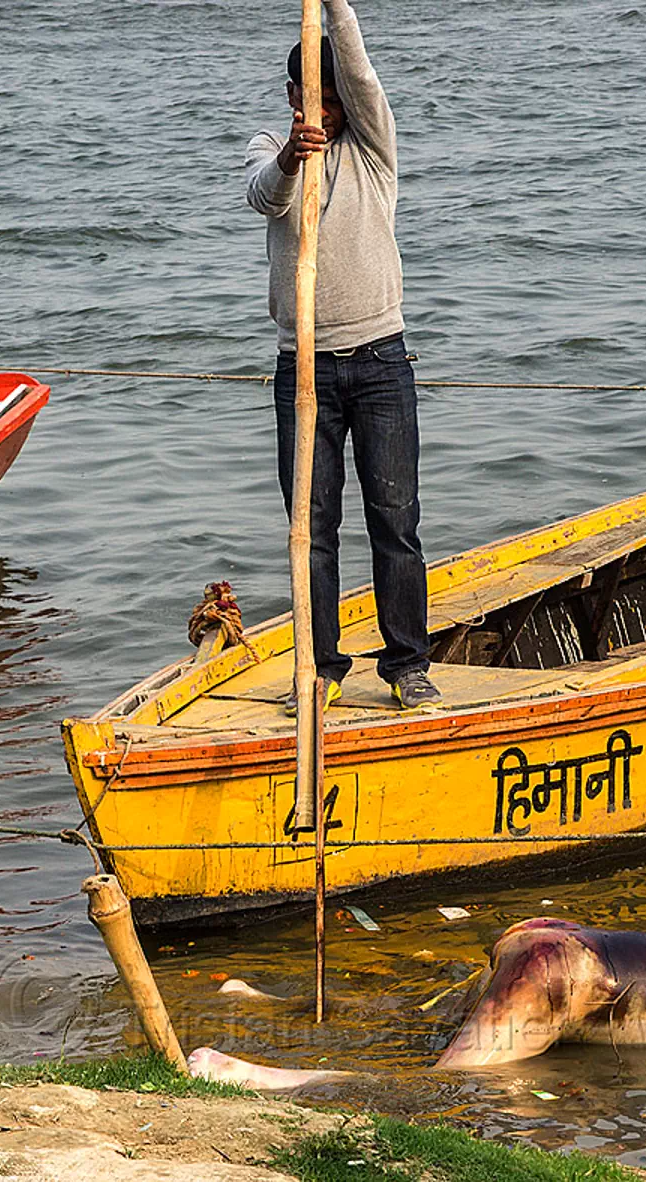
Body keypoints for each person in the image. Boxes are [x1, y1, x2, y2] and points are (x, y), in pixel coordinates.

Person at [245, 0, 440, 712]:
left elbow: (359, 75)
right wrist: (294, 156)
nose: (323, 110)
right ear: (293, 96)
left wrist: (336, 8)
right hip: (304, 369)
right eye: (311, 97)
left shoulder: (373, 144)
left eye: (332, 99)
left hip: (382, 363)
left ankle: (408, 665)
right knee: (311, 529)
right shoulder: (272, 145)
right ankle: (319, 670)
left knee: (395, 521)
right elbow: (263, 196)